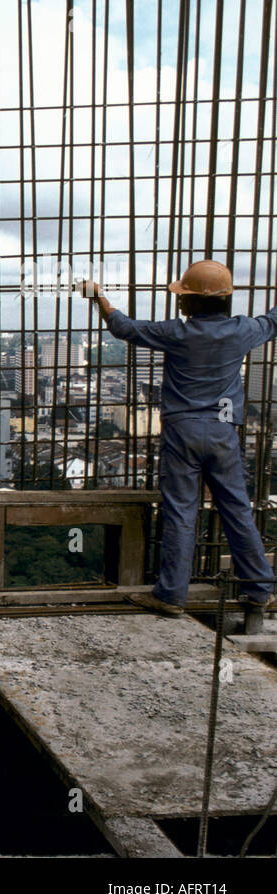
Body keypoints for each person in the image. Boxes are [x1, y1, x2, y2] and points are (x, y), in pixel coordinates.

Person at [82, 260, 275, 631]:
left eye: (184, 296)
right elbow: (275, 319)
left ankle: (171, 595)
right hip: (223, 428)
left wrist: (99, 296)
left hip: (183, 430)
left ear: (194, 304)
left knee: (182, 513)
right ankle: (259, 588)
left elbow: (123, 328)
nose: (180, 303)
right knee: (236, 508)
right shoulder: (243, 330)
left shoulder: (177, 333)